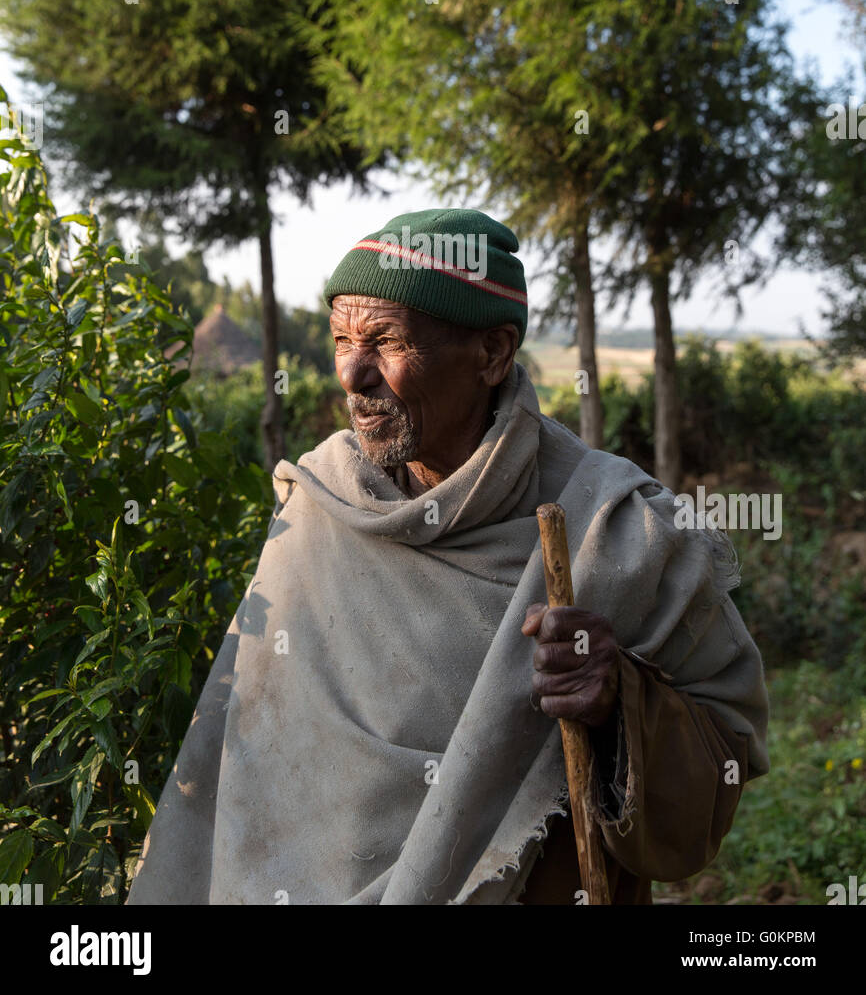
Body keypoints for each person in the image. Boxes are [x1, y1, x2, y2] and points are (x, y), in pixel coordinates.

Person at [127, 207, 768, 906]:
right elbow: (243, 764)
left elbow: (726, 742)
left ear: (492, 354)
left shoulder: (613, 532)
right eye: (341, 339)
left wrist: (619, 703)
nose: (351, 372)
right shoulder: (317, 507)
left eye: (384, 340)